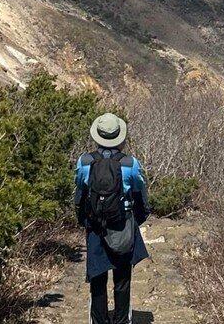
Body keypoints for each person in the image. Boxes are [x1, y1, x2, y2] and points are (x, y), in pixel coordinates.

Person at [75, 113, 150, 324]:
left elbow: (79, 193)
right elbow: (139, 194)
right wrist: (137, 220)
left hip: (95, 225)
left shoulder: (84, 162)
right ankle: (121, 320)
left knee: (97, 278)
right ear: (120, 137)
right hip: (122, 225)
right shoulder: (130, 164)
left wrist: (84, 221)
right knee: (122, 279)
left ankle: (98, 320)